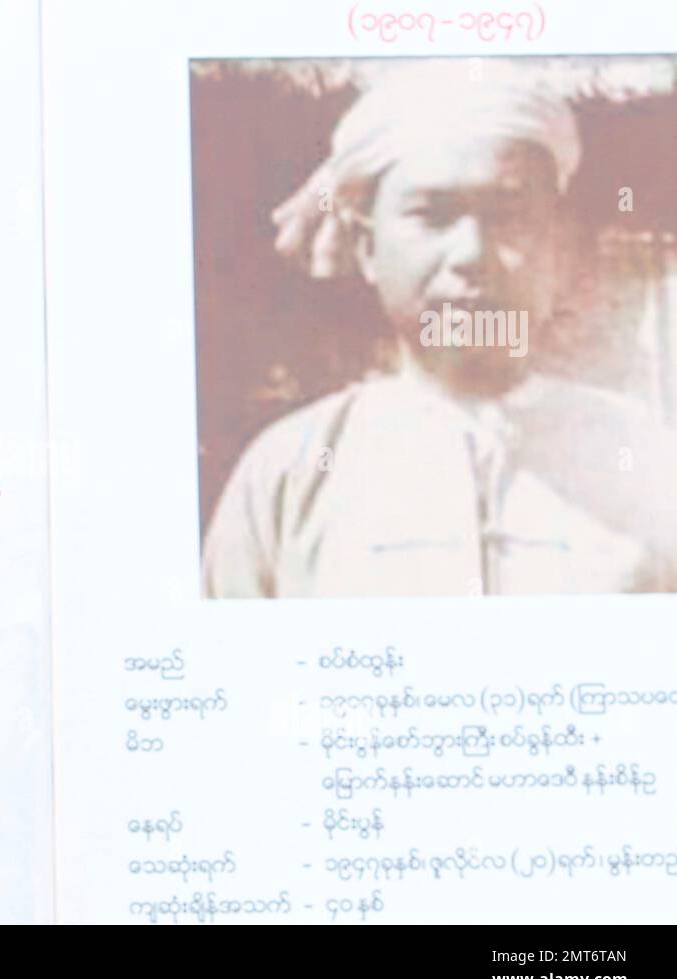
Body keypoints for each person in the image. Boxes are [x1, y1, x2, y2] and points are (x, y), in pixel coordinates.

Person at [202, 59, 677, 598]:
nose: (473, 254)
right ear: (367, 249)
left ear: (555, 244)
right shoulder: (290, 473)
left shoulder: (648, 459)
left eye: (507, 215)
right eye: (433, 214)